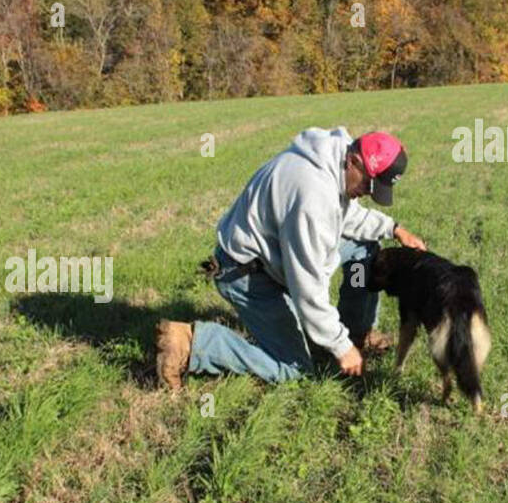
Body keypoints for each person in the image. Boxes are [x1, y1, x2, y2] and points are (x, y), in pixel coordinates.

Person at [156, 128, 427, 389]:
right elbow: (308, 292)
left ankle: (357, 330)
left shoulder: (333, 160)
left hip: (272, 257)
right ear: (354, 160)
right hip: (244, 274)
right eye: (369, 184)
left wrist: (394, 228)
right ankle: (194, 343)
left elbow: (347, 216)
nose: (369, 193)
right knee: (294, 369)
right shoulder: (313, 199)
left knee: (363, 249)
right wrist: (340, 347)